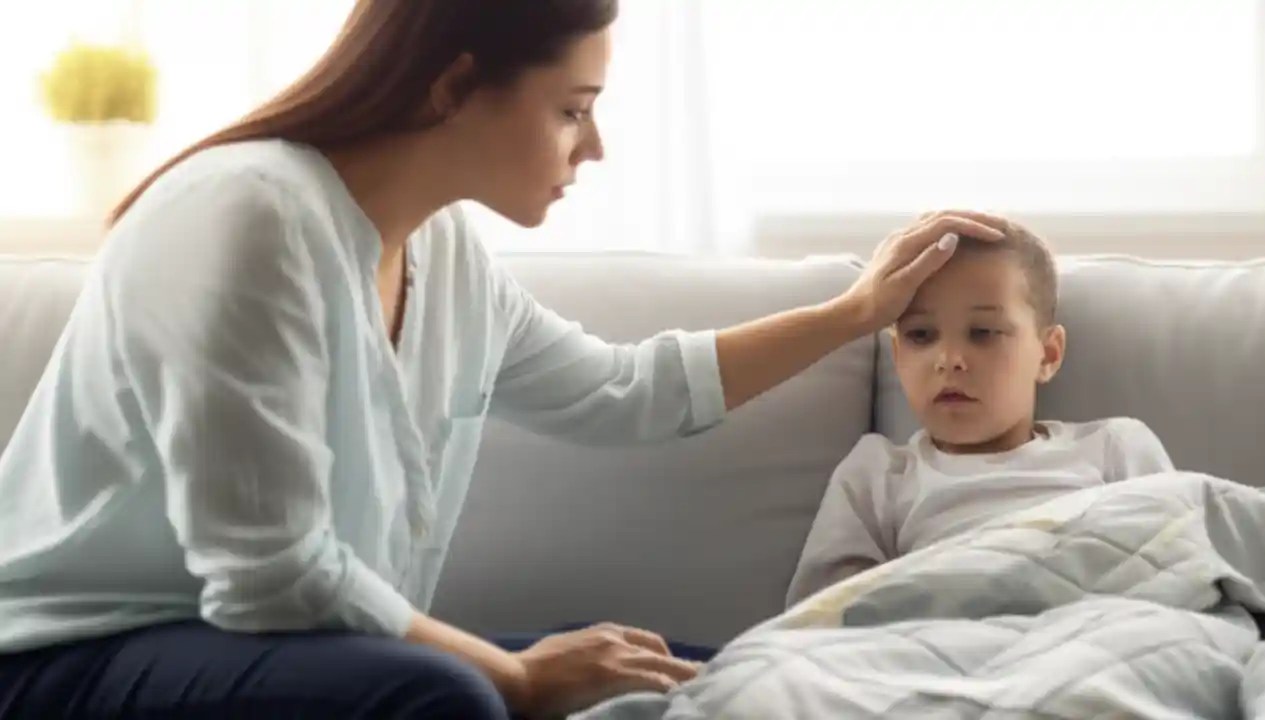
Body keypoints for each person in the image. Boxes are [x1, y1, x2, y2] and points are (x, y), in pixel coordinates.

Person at [0, 1, 1006, 717]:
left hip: (275, 654)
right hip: (69, 655)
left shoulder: (443, 257)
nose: (595, 145)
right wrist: (512, 678)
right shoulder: (245, 215)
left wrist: (852, 312)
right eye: (572, 108)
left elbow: (627, 392)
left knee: (696, 676)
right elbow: (269, 578)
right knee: (439, 692)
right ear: (453, 87)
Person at [786, 224, 1175, 608]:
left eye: (984, 332)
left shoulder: (1113, 448)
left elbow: (1180, 566)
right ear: (898, 354)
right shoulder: (878, 474)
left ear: (1049, 354)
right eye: (921, 335)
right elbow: (822, 614)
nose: (949, 360)